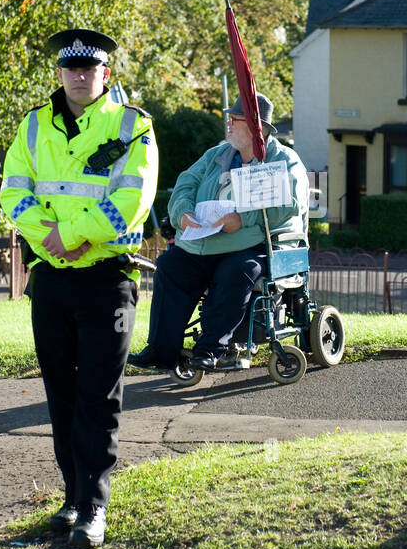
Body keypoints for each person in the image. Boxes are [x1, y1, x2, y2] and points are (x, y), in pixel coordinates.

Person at [0, 28, 157, 549]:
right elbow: (13, 189)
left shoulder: (134, 126)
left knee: (97, 395)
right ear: (61, 72)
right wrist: (47, 238)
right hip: (50, 279)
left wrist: (67, 236)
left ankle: (95, 505)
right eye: (71, 67)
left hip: (107, 281)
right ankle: (71, 495)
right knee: (60, 394)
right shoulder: (31, 125)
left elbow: (130, 200)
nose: (80, 75)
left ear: (105, 74)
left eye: (90, 68)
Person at [130, 92, 309, 373]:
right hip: (206, 240)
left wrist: (243, 218)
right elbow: (185, 184)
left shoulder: (284, 160)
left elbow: (291, 205)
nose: (228, 124)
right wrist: (183, 214)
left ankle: (210, 349)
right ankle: (161, 351)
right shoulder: (217, 153)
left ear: (255, 126)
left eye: (234, 119)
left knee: (237, 270)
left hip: (258, 243)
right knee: (170, 265)